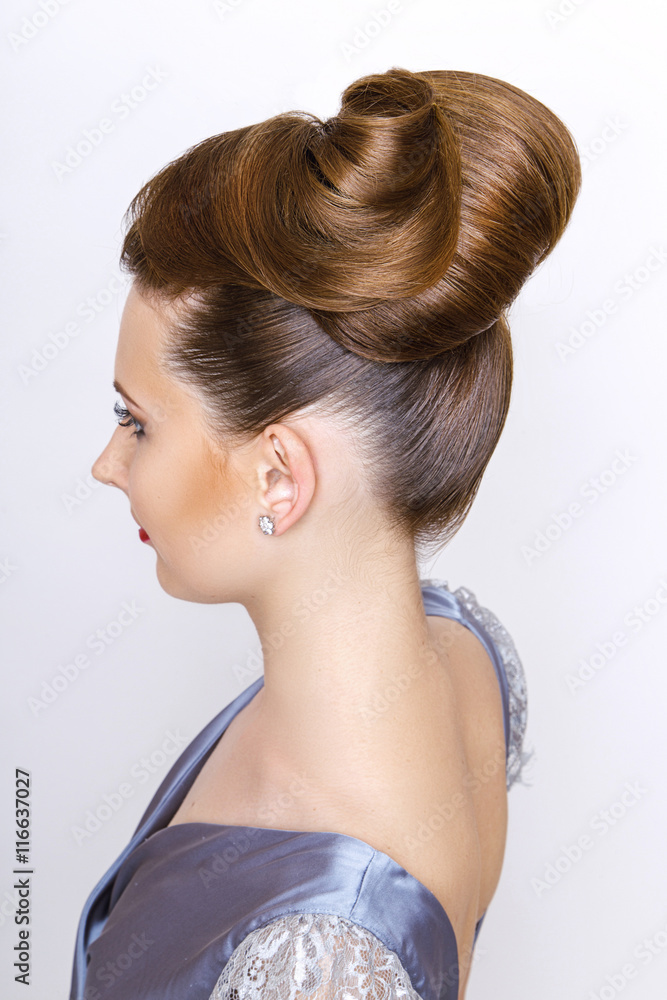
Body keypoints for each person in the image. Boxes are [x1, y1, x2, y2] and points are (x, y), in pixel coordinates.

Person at [69, 66, 581, 1000]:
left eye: (135, 421)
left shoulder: (319, 961)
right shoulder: (460, 654)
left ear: (280, 474)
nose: (108, 464)